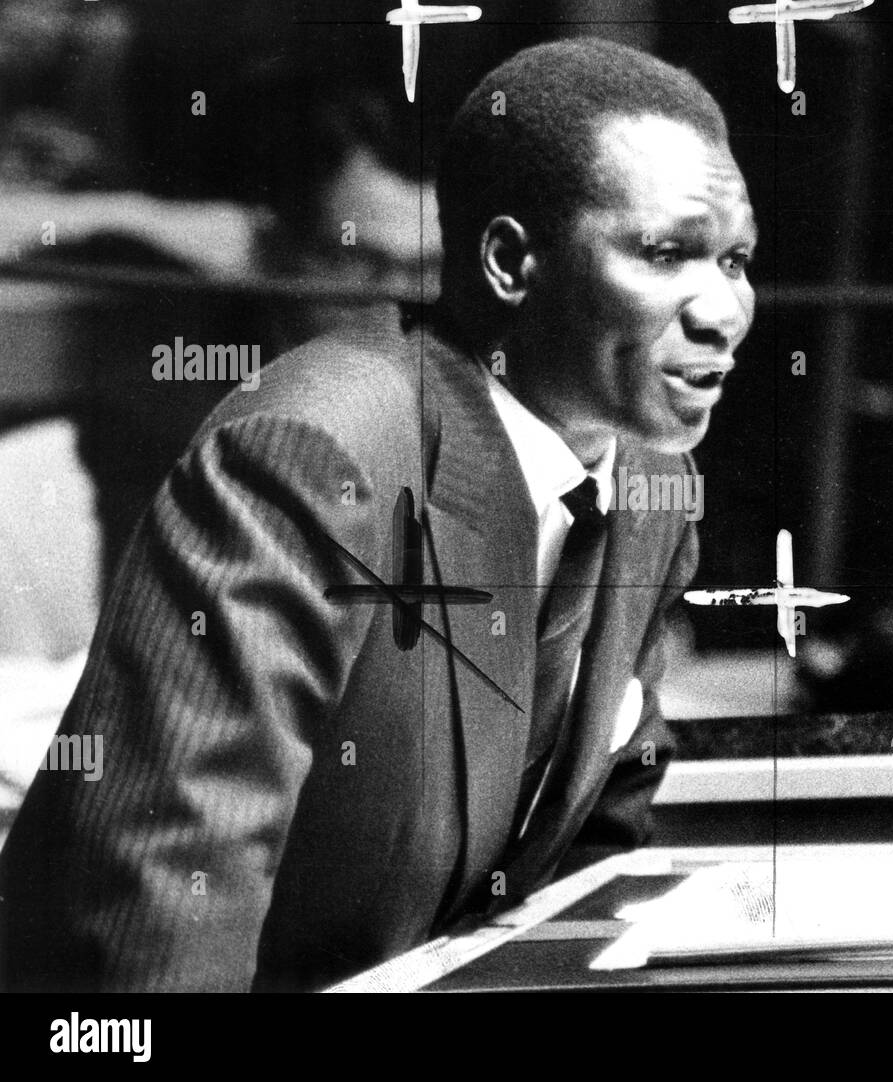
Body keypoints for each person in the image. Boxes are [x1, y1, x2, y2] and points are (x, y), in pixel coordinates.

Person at [0, 37, 757, 992]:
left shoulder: (647, 488)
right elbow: (164, 908)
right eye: (667, 253)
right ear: (511, 262)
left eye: (736, 260)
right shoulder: (315, 449)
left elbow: (595, 844)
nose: (724, 309)